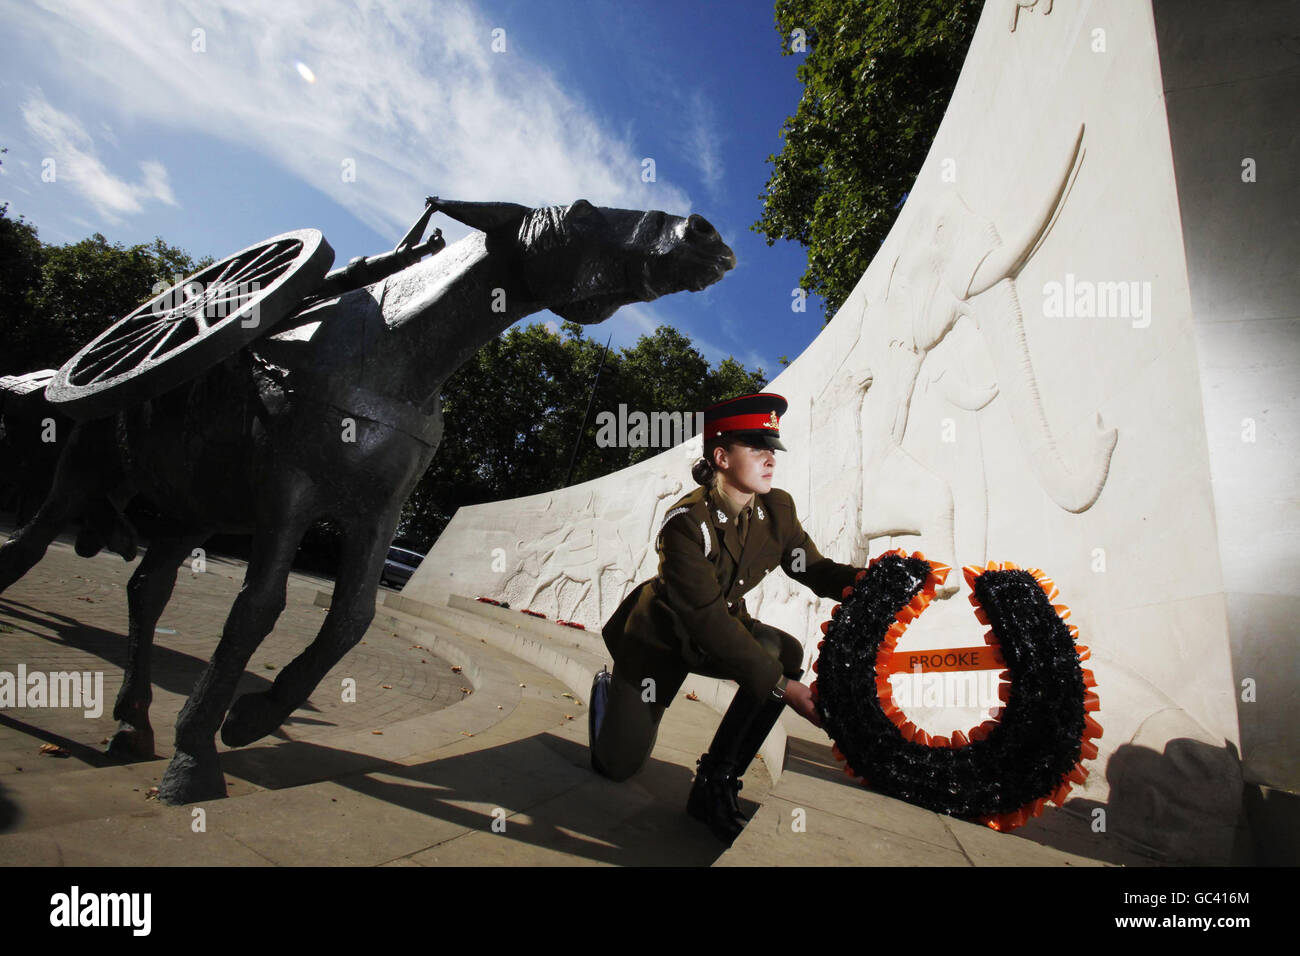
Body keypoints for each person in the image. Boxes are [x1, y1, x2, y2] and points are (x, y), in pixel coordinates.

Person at [588, 392, 863, 845]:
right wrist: (786, 689)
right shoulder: (685, 523)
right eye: (757, 448)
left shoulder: (777, 509)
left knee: (782, 650)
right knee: (616, 766)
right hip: (659, 642)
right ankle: (608, 698)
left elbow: (809, 567)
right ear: (721, 456)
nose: (770, 458)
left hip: (718, 628)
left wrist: (865, 580)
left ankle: (716, 783)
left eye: (772, 448)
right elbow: (705, 618)